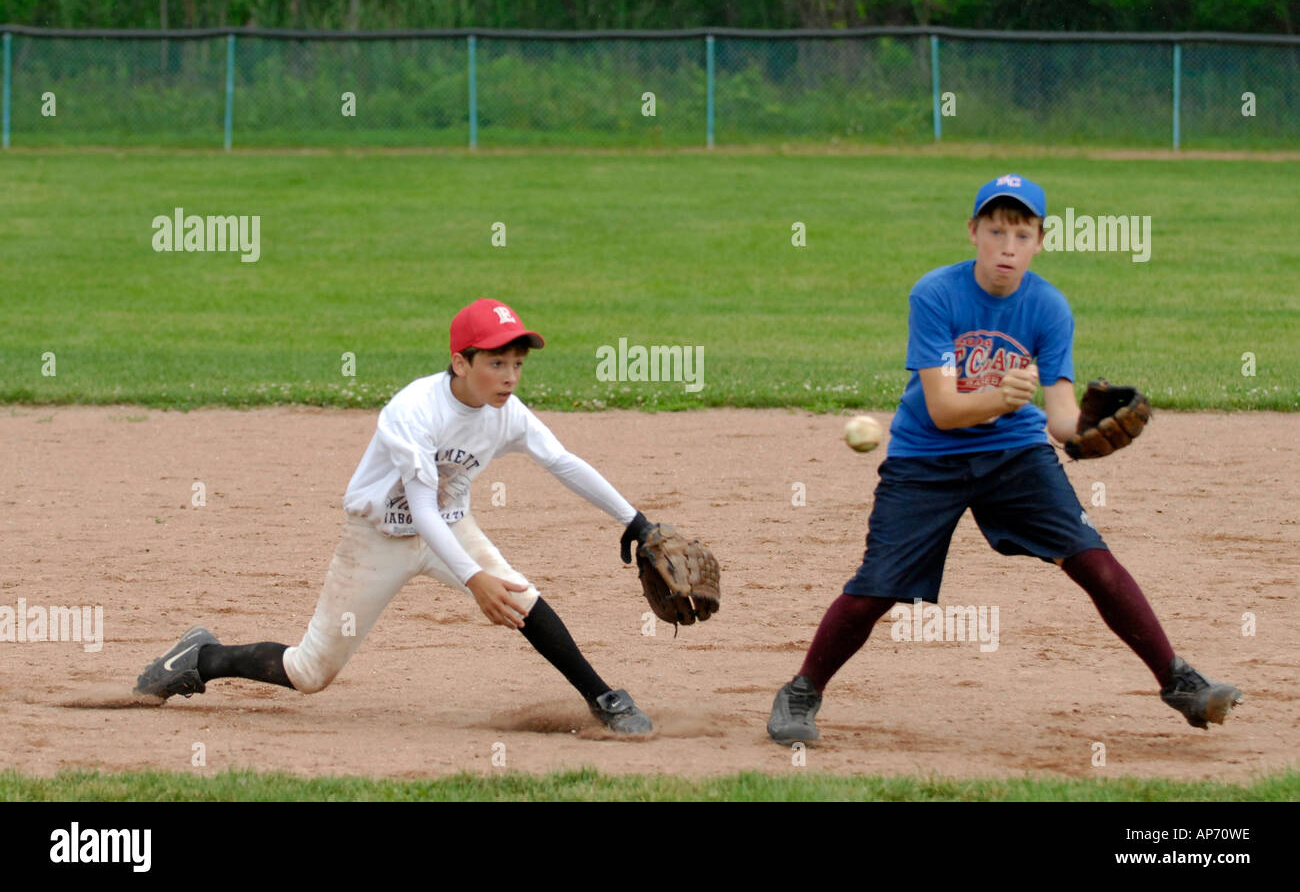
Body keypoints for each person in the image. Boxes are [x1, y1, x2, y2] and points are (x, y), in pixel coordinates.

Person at [767, 174, 1243, 745]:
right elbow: (944, 410)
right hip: (927, 458)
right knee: (877, 587)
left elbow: (1059, 415)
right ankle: (800, 692)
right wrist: (1004, 397)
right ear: (973, 233)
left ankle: (1180, 683)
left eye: (1022, 232)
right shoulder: (936, 294)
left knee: (1094, 561)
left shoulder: (1048, 307)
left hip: (1015, 455)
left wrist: (1085, 432)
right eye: (996, 230)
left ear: (1041, 240)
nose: (1007, 246)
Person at [136, 298, 661, 735]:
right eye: (496, 363)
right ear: (461, 362)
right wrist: (474, 579)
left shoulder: (508, 415)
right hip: (378, 540)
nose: (510, 377)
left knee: (521, 599)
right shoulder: (414, 411)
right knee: (309, 672)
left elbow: (564, 462)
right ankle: (201, 659)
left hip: (448, 526)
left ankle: (603, 698)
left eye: (518, 363)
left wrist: (633, 521)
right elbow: (419, 503)